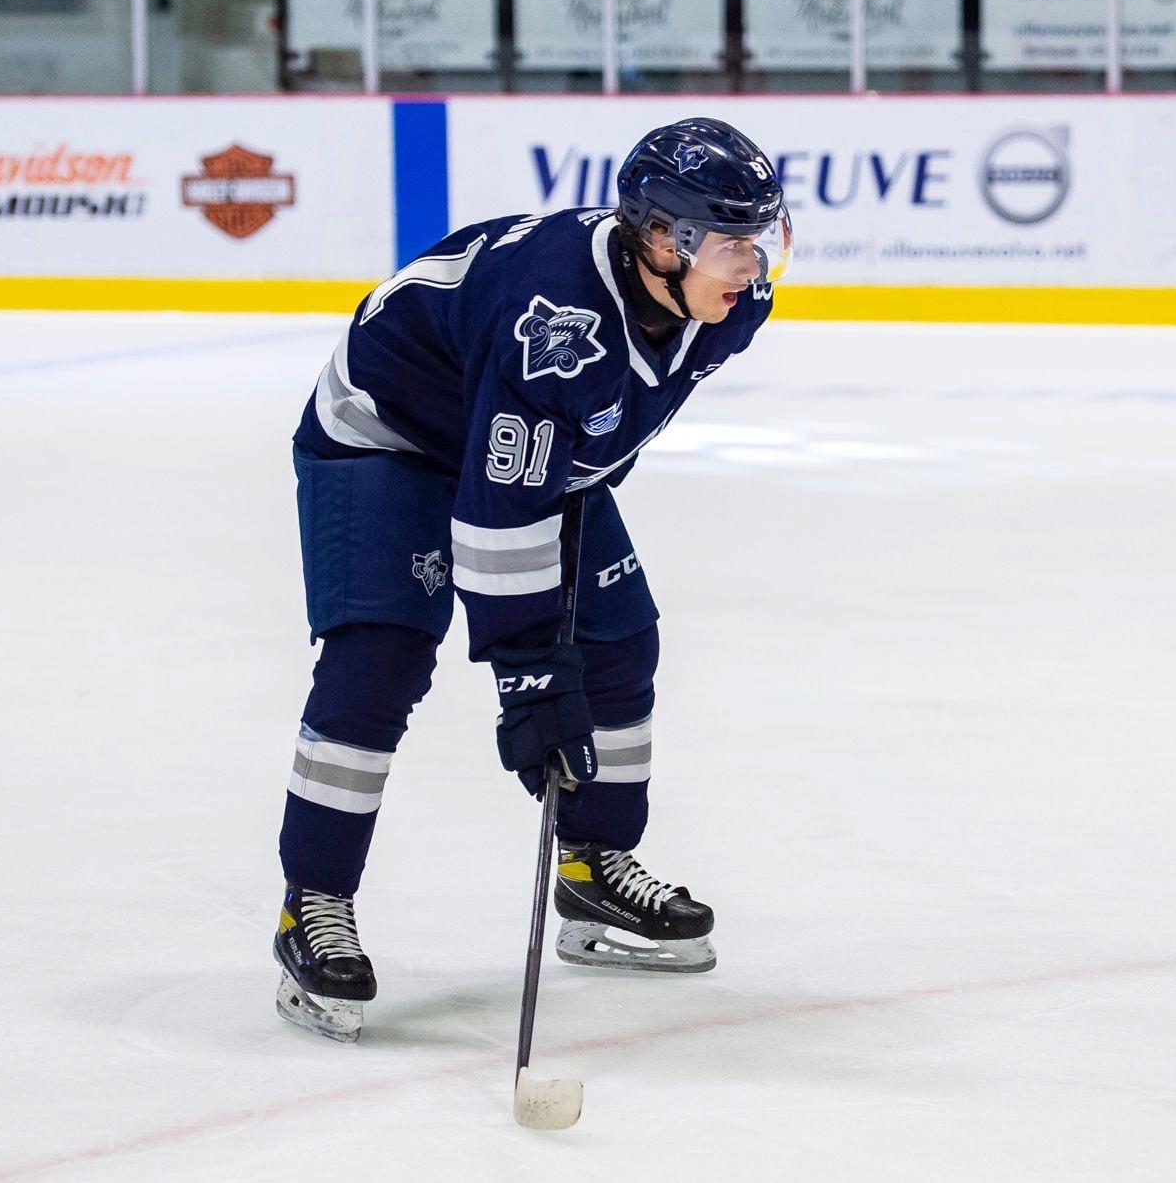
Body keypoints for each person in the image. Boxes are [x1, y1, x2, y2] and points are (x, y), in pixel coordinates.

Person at [274, 117, 790, 1042]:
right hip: (386, 435)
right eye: (733, 245)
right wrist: (528, 673)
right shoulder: (555, 321)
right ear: (663, 239)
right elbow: (494, 517)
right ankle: (311, 901)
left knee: (622, 640)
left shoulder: (727, 308)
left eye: (763, 242)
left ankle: (593, 869)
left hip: (520, 447)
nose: (752, 268)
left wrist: (565, 643)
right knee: (380, 660)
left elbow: (591, 433)